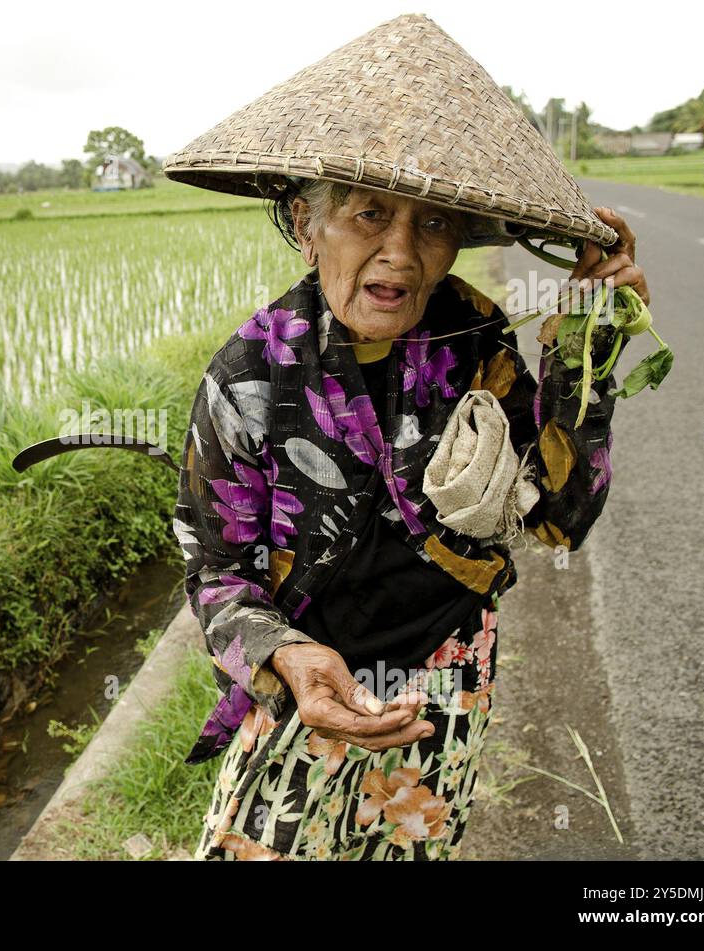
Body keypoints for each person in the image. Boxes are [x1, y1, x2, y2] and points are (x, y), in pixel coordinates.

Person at [163, 14, 650, 860]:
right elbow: (214, 572)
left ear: (458, 236)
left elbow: (561, 514)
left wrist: (584, 350)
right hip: (305, 683)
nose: (399, 252)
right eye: (368, 213)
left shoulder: (476, 338)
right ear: (306, 222)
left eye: (431, 223)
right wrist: (285, 657)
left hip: (445, 677)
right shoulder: (249, 374)